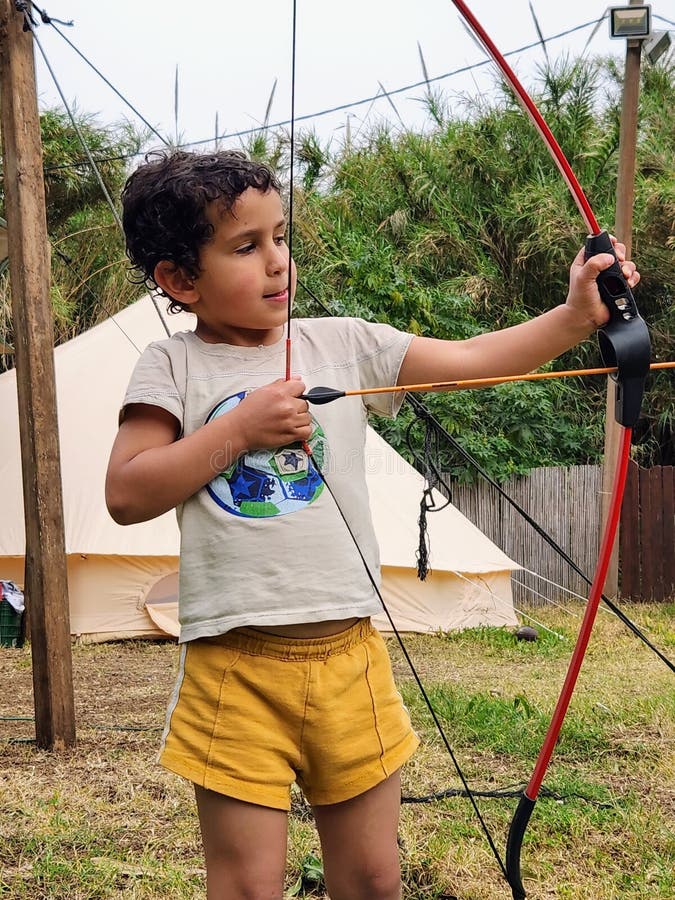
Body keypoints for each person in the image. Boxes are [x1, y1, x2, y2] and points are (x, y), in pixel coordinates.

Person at [105, 149, 640, 900]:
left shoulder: (343, 342)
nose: (276, 263)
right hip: (232, 666)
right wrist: (241, 431)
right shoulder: (171, 365)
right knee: (246, 886)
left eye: (281, 237)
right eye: (245, 247)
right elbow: (127, 493)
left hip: (349, 659)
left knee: (371, 879)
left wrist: (576, 314)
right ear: (178, 279)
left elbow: (474, 358)